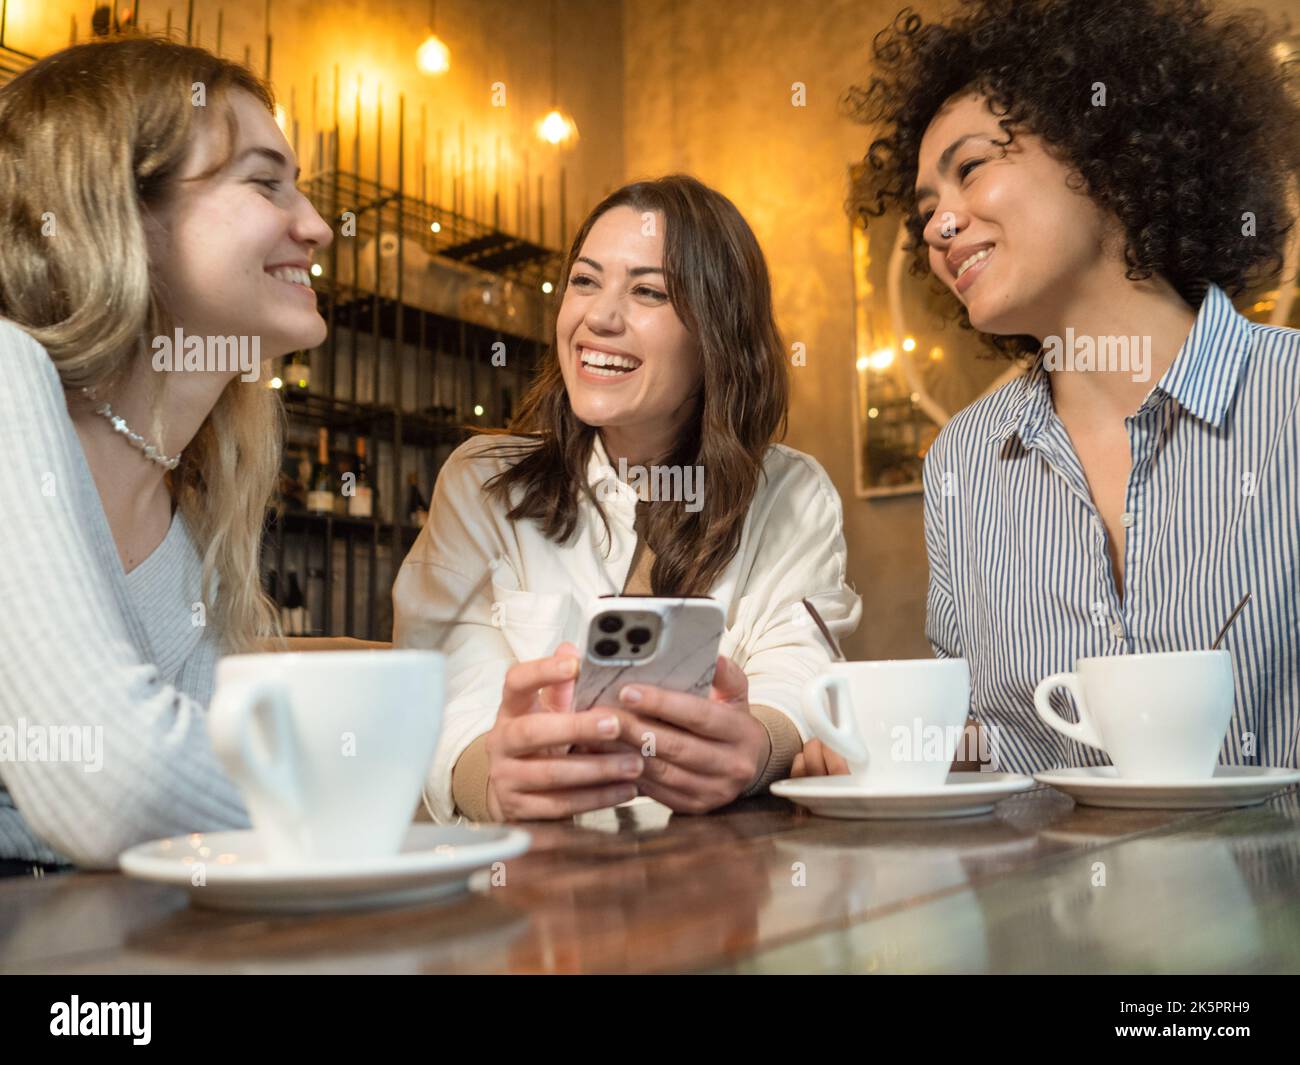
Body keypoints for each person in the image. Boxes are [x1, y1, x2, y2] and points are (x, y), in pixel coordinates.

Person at [799, 0, 1300, 776]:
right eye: (926, 210)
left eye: (970, 170)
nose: (937, 228)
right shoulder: (962, 460)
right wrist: (900, 747)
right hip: (1064, 899)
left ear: (1106, 152)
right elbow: (1008, 738)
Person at [394, 174, 862, 822]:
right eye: (584, 281)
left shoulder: (791, 495)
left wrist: (755, 746)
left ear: (718, 335)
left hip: (722, 886)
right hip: (531, 888)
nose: (599, 317)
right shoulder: (482, 485)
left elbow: (800, 670)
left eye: (648, 291)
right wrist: (495, 780)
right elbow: (450, 693)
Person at [0, 35, 332, 869]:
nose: (317, 227)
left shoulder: (191, 502)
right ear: (120, 211)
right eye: (264, 183)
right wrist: (363, 812)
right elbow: (115, 787)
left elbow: (156, 809)